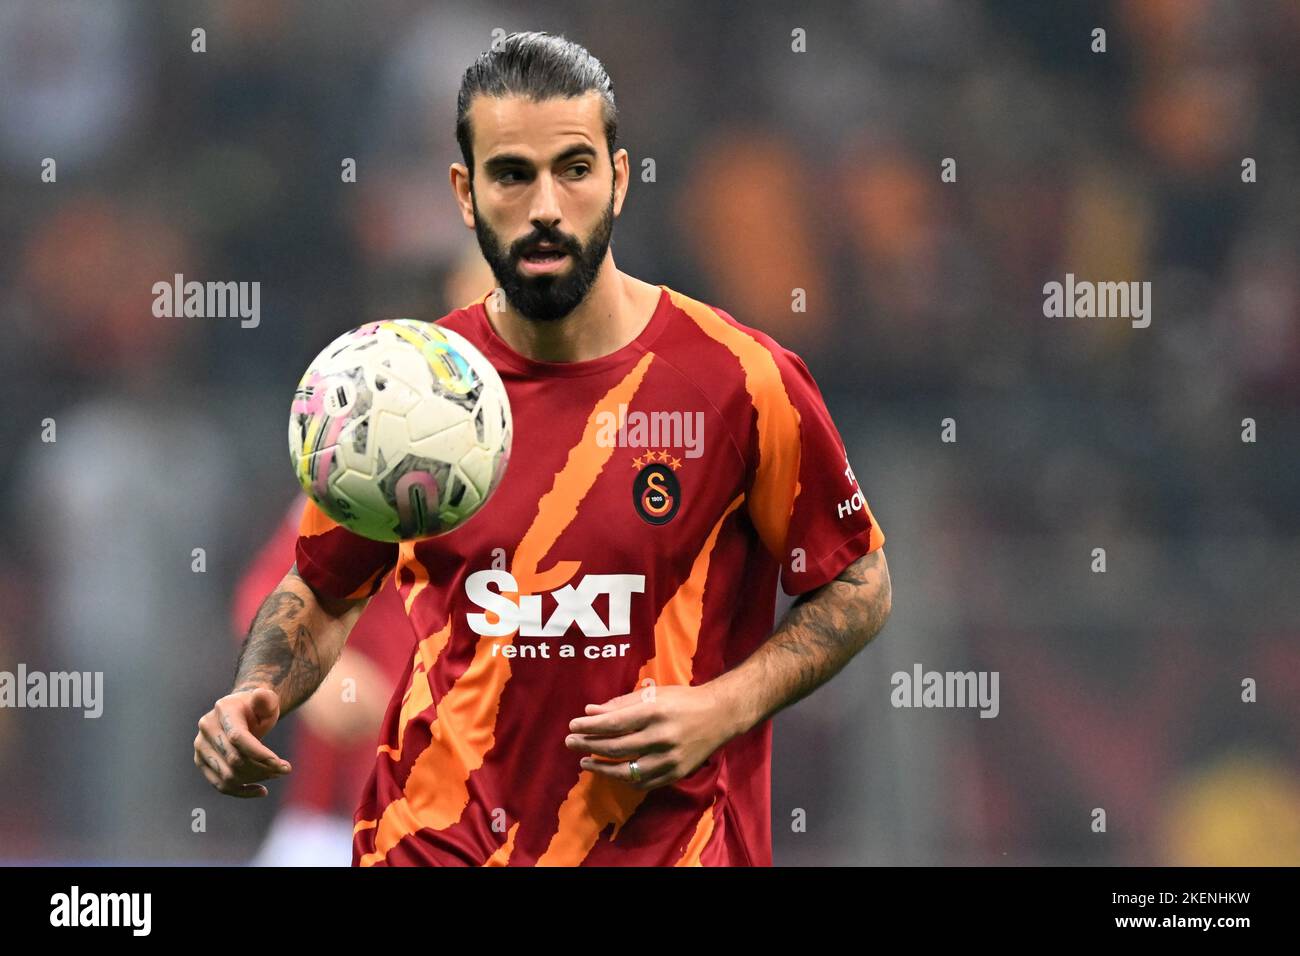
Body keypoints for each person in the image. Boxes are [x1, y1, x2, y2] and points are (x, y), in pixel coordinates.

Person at [194, 30, 892, 866]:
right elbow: (320, 590)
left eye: (574, 168)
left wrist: (725, 706)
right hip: (432, 843)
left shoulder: (742, 381)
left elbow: (858, 580)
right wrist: (256, 693)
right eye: (512, 174)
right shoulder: (406, 392)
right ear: (465, 191)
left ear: (621, 178)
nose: (547, 206)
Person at [229, 494, 413, 865]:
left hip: (476, 812)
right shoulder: (359, 474)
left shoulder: (544, 489)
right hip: (331, 819)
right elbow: (264, 592)